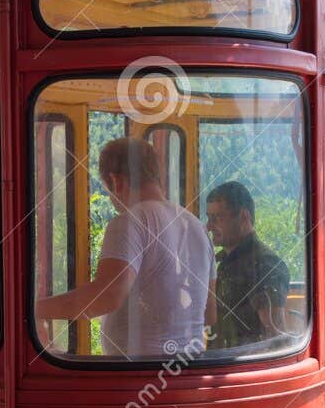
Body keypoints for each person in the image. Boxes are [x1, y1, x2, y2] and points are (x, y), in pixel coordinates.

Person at [36, 136, 215, 360]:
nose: (113, 199)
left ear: (117, 181)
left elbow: (107, 296)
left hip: (138, 373)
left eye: (109, 191)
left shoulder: (130, 222)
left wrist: (34, 309)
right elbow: (210, 313)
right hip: (187, 371)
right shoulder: (197, 227)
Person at [205, 181, 290, 350]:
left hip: (246, 369)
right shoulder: (222, 263)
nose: (209, 226)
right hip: (220, 365)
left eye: (217, 218)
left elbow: (274, 337)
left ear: (244, 217)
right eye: (209, 218)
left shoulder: (265, 265)